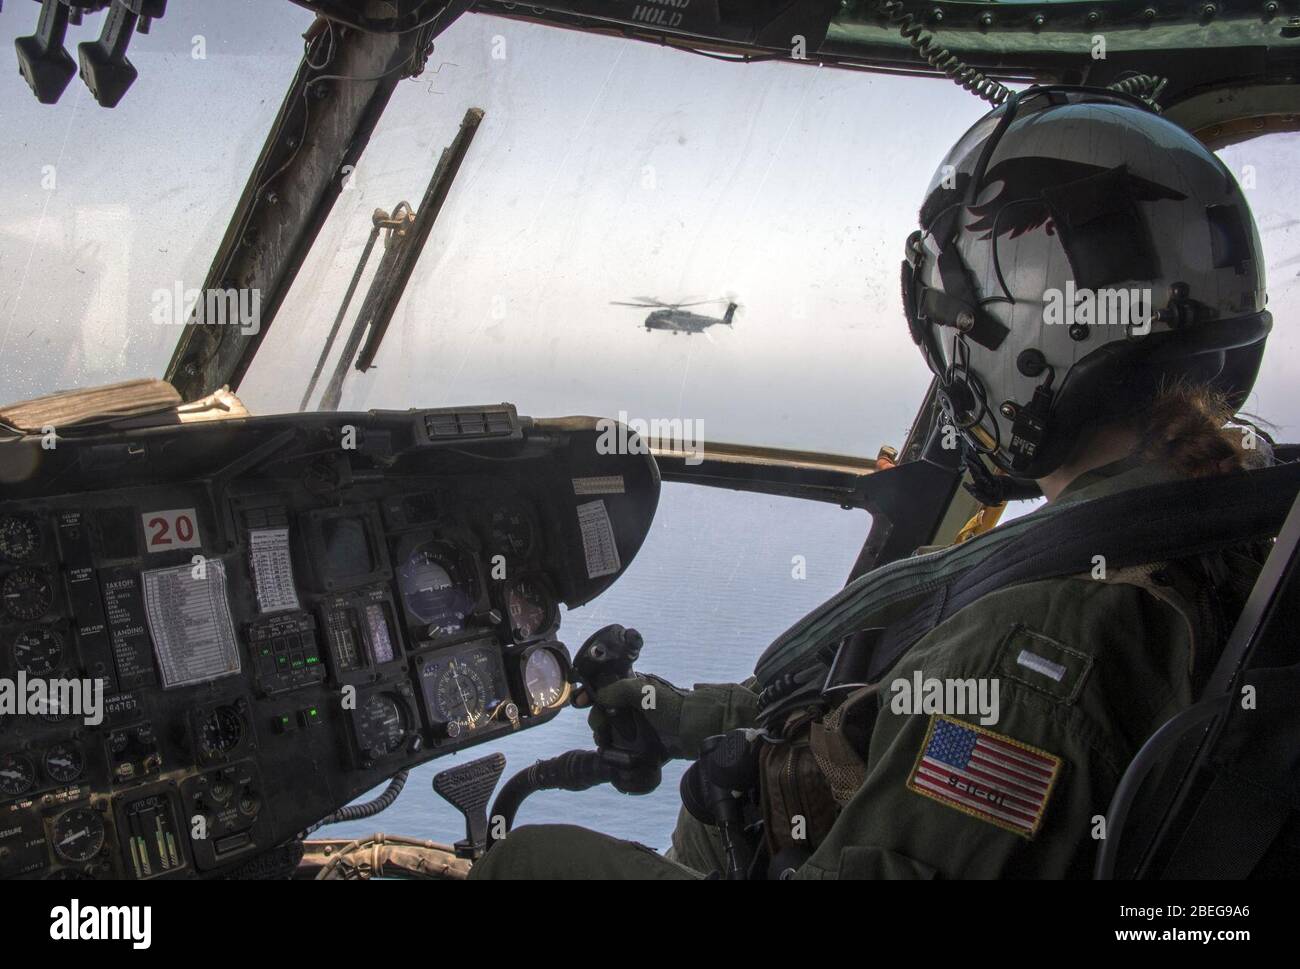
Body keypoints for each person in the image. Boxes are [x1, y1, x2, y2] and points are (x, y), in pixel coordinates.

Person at [469, 86, 1273, 879]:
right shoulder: (1218, 527)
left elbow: (963, 715)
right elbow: (887, 699)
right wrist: (675, 718)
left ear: (1025, 340)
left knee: (528, 859)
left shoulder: (1032, 657)